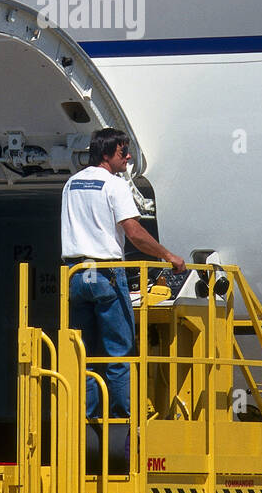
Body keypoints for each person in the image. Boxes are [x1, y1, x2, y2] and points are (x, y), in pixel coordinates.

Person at [61, 127, 186, 421]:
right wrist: (169, 256)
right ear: (106, 154)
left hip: (76, 275)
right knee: (119, 352)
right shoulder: (114, 185)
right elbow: (134, 233)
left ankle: (87, 421)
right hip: (105, 275)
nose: (128, 157)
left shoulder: (71, 184)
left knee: (86, 354)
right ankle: (123, 422)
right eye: (122, 151)